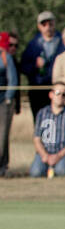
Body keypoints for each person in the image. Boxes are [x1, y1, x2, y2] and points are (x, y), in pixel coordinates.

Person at [29, 85, 65, 176]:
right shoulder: (42, 113)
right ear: (51, 94)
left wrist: (59, 156)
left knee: (62, 171)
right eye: (58, 93)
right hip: (45, 153)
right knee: (36, 172)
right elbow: (37, 138)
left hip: (64, 154)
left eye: (64, 94)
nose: (60, 96)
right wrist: (44, 155)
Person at [19, 11, 64, 121]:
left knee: (59, 121)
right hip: (37, 90)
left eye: (50, 24)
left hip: (58, 89)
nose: (48, 27)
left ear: (54, 24)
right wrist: (35, 65)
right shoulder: (32, 45)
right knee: (40, 122)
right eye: (44, 24)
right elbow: (23, 67)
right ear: (39, 26)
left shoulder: (64, 42)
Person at [0, 32, 18, 177]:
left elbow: (13, 80)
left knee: (2, 135)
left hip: (3, 102)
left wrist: (8, 98)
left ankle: (2, 166)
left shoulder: (6, 57)